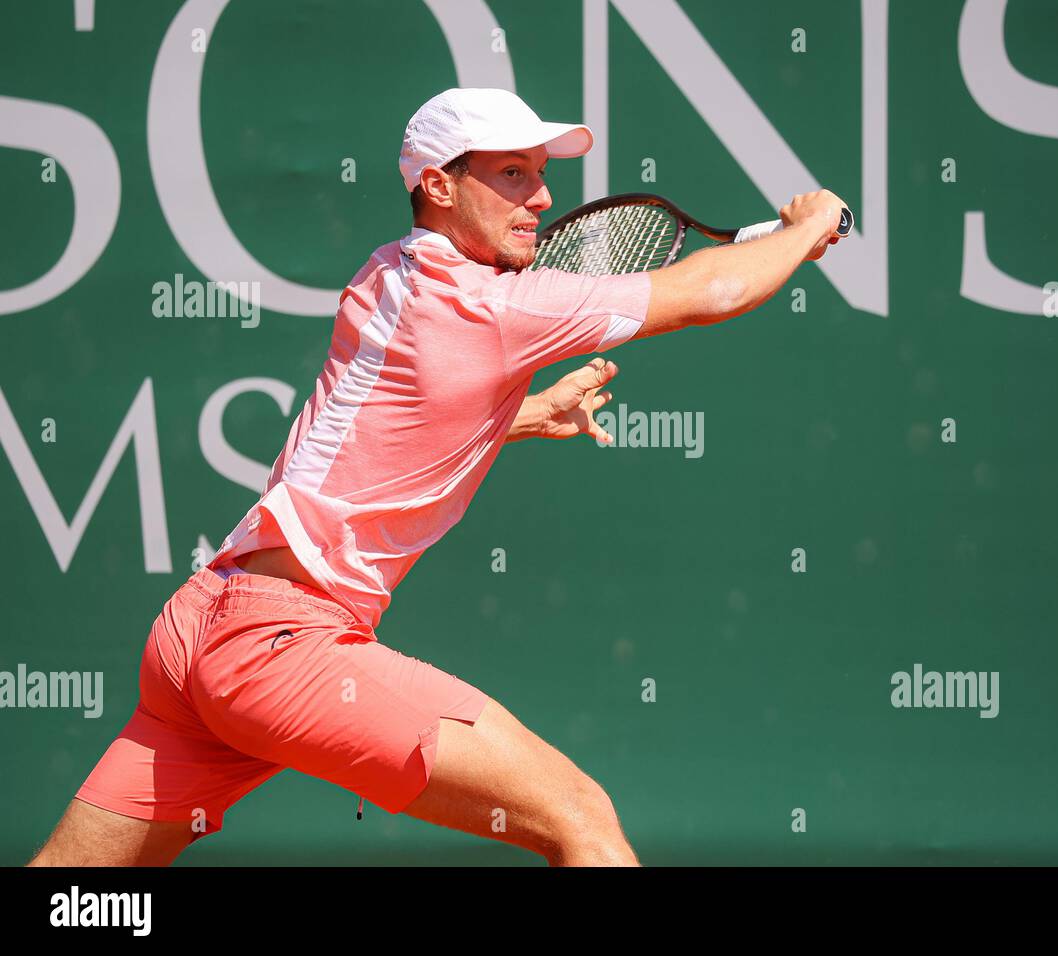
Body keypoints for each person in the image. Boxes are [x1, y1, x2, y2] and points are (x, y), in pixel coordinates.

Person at [27, 87, 847, 867]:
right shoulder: (494, 307)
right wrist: (807, 230)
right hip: (282, 649)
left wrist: (517, 416)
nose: (539, 198)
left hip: (197, 630)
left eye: (541, 175)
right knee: (579, 816)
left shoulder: (389, 271)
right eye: (511, 174)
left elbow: (395, 424)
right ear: (437, 186)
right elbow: (710, 290)